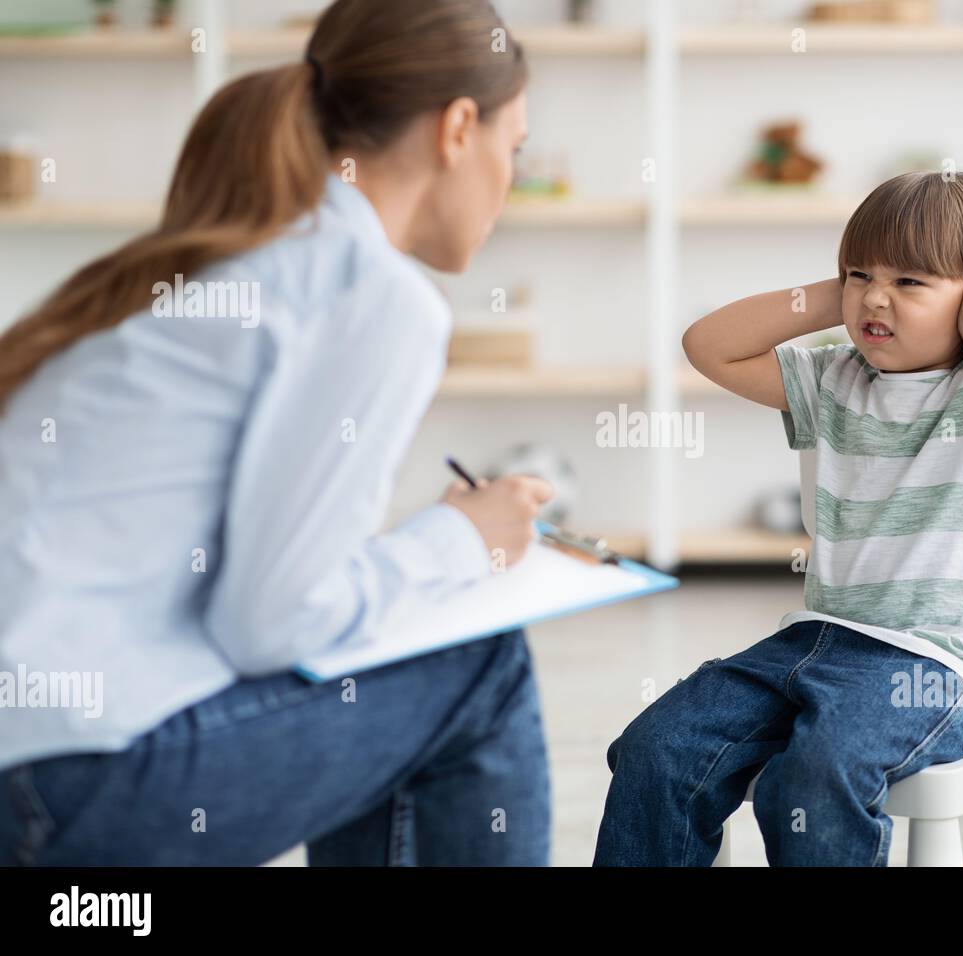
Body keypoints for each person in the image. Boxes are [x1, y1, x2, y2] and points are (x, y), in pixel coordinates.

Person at [0, 0, 553, 866]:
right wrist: (459, 540)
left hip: (30, 745)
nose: (510, 179)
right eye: (512, 148)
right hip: (60, 780)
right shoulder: (369, 288)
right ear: (456, 129)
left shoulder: (225, 256)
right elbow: (271, 623)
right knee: (478, 660)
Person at [594, 171, 963, 866]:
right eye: (861, 274)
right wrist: (840, 293)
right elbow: (706, 344)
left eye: (911, 281)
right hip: (815, 641)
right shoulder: (831, 378)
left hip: (936, 665)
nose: (875, 297)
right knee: (657, 749)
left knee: (809, 779)